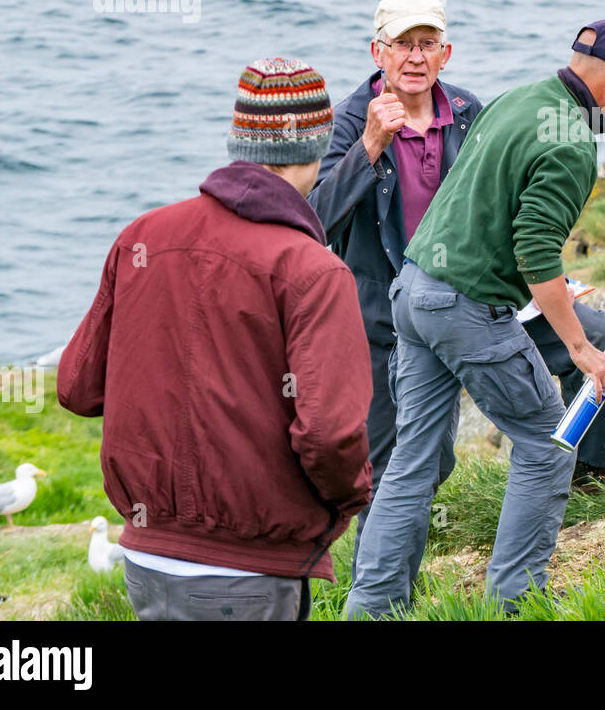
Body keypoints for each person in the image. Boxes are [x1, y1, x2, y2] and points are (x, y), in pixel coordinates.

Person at [309, 0, 605, 575]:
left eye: (426, 44)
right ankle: (375, 591)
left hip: (486, 301)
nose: (415, 57)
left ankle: (594, 481)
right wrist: (368, 148)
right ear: (377, 52)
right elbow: (313, 223)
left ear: (446, 52)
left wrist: (546, 283)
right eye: (402, 45)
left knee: (600, 336)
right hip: (389, 321)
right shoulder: (354, 120)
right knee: (411, 466)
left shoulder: (467, 108)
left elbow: (508, 210)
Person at [57, 57, 373, 620]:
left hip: (147, 554)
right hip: (250, 568)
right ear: (321, 144)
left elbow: (78, 386)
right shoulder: (313, 270)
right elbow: (328, 434)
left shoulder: (142, 237)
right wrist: (349, 499)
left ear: (240, 143)